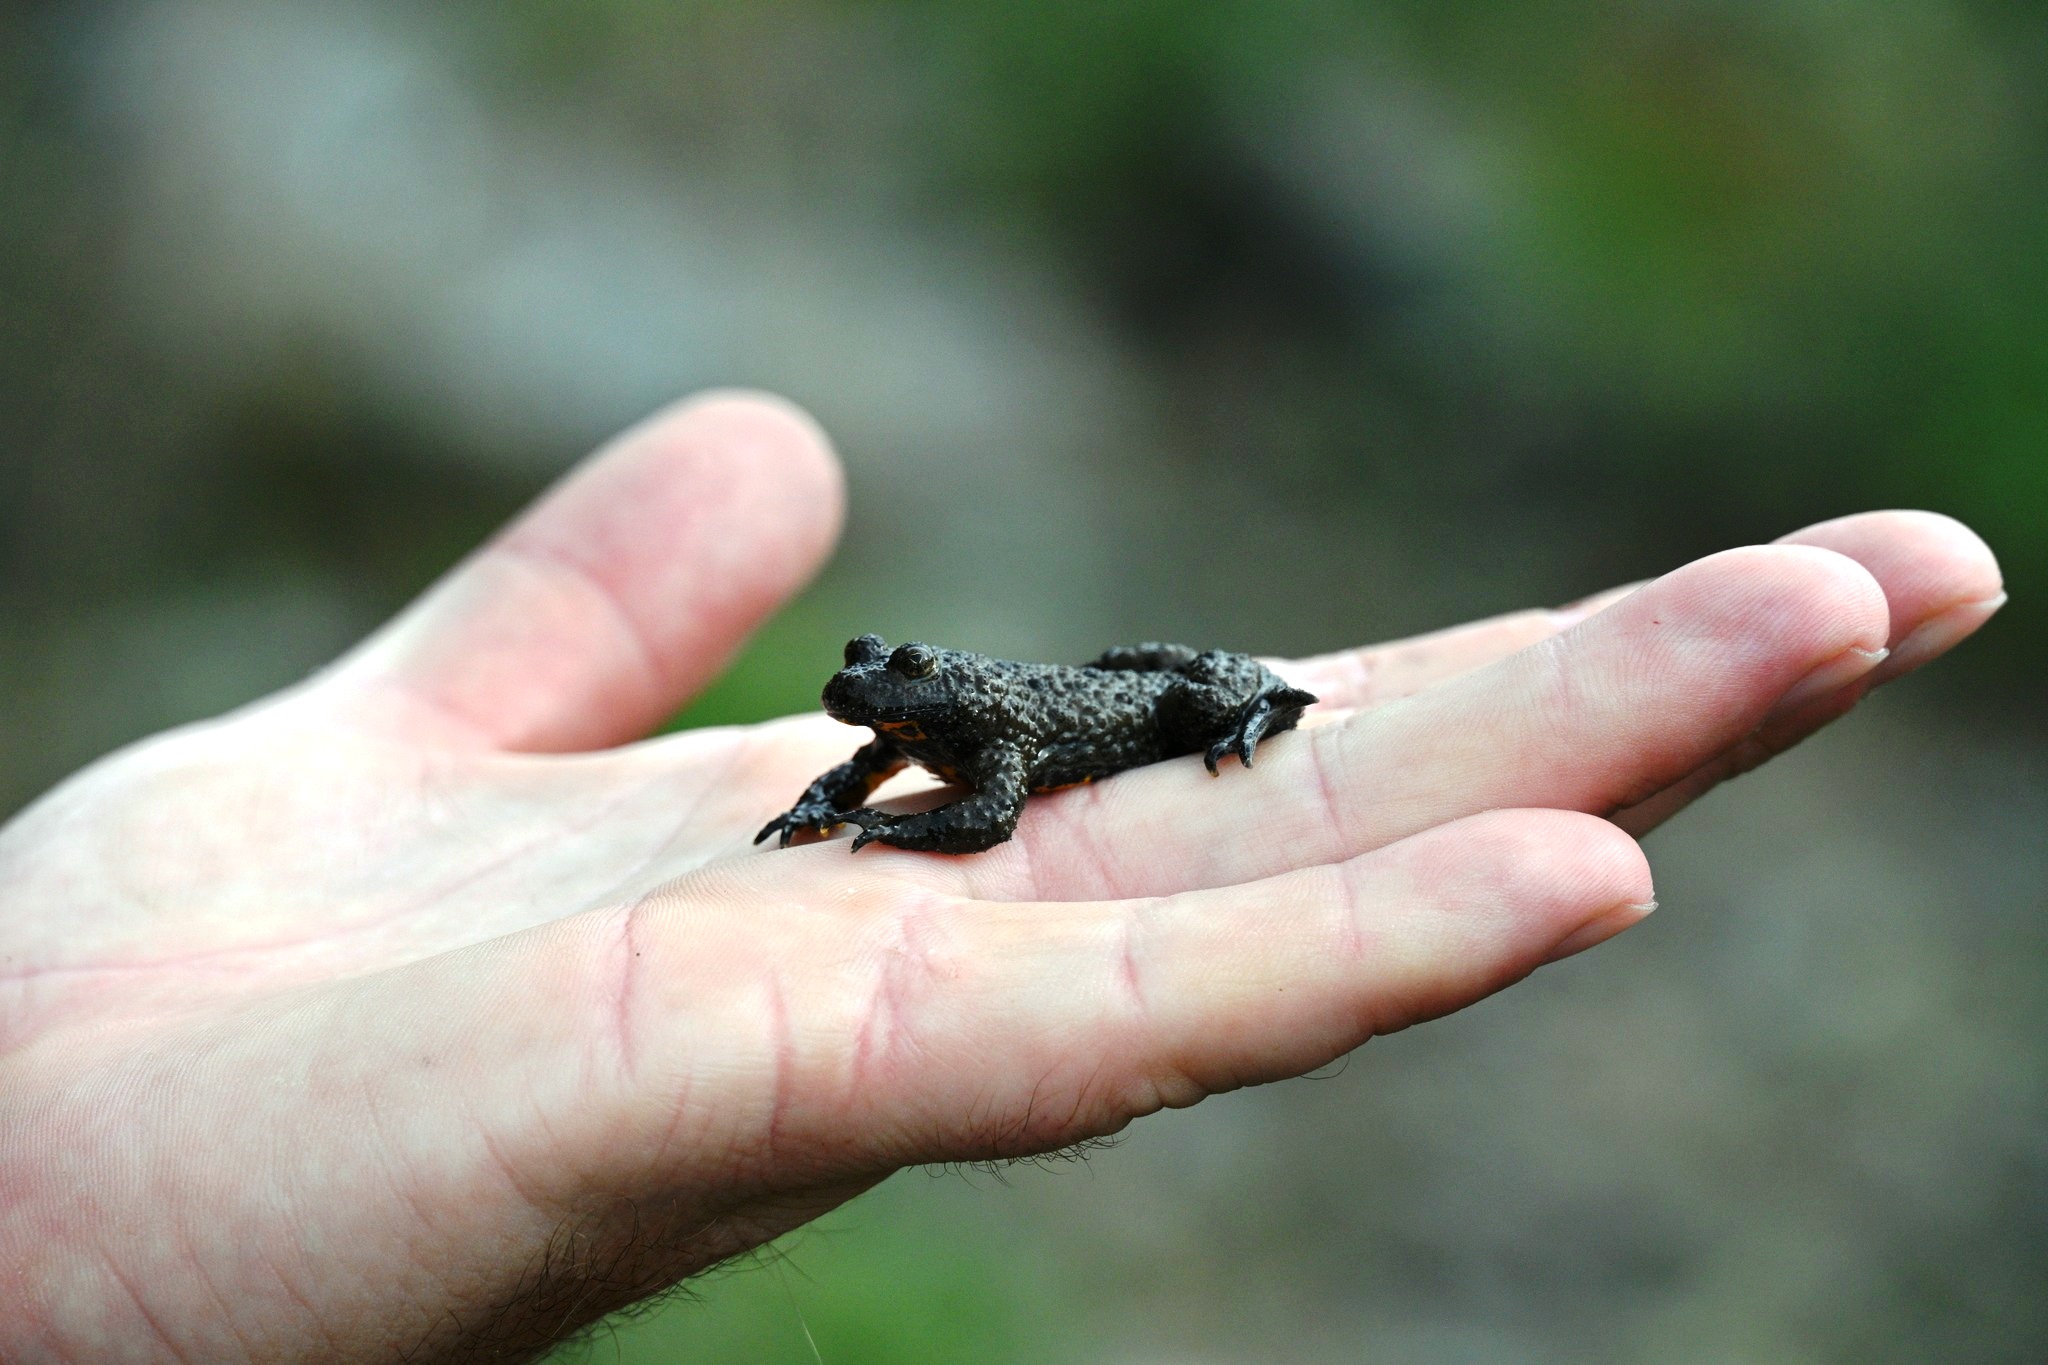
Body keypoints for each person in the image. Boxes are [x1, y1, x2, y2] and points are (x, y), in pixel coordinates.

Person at [0, 392, 2004, 1361]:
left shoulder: (1003, 737)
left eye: (890, 688)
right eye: (868, 694)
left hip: (1156, 690)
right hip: (1067, 690)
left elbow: (977, 823)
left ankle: (1230, 715)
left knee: (1233, 685)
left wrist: (916, 808)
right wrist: (826, 796)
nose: (868, 702)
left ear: (948, 695)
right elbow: (895, 766)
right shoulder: (924, 715)